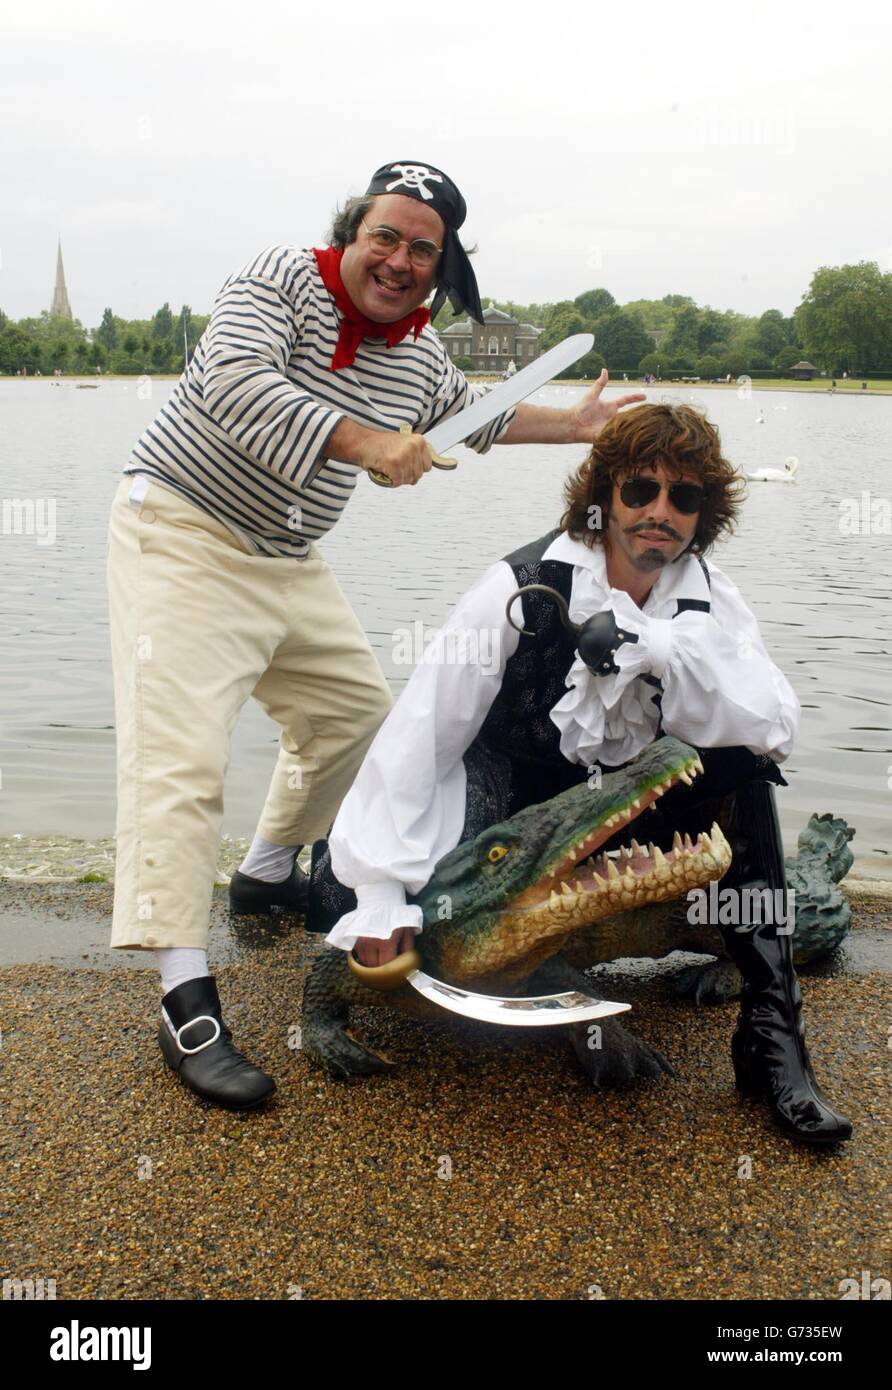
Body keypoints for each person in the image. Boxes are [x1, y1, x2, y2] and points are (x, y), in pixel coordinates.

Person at [105, 158, 643, 1111]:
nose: (397, 260)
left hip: (288, 556)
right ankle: (184, 999)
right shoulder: (277, 277)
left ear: (441, 268)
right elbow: (234, 381)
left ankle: (265, 875)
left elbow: (468, 420)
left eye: (421, 250)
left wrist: (577, 427)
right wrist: (366, 443)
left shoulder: (417, 350)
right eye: (384, 236)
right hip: (179, 531)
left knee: (360, 723)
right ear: (352, 231)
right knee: (180, 763)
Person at [313, 403, 852, 1146]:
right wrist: (378, 893)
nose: (660, 512)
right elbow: (420, 735)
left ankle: (772, 1035)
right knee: (377, 901)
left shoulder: (709, 600)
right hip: (509, 807)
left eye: (683, 497)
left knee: (748, 764)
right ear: (603, 497)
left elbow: (776, 725)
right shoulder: (517, 587)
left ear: (703, 514)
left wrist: (660, 647)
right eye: (640, 490)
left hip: (615, 805)